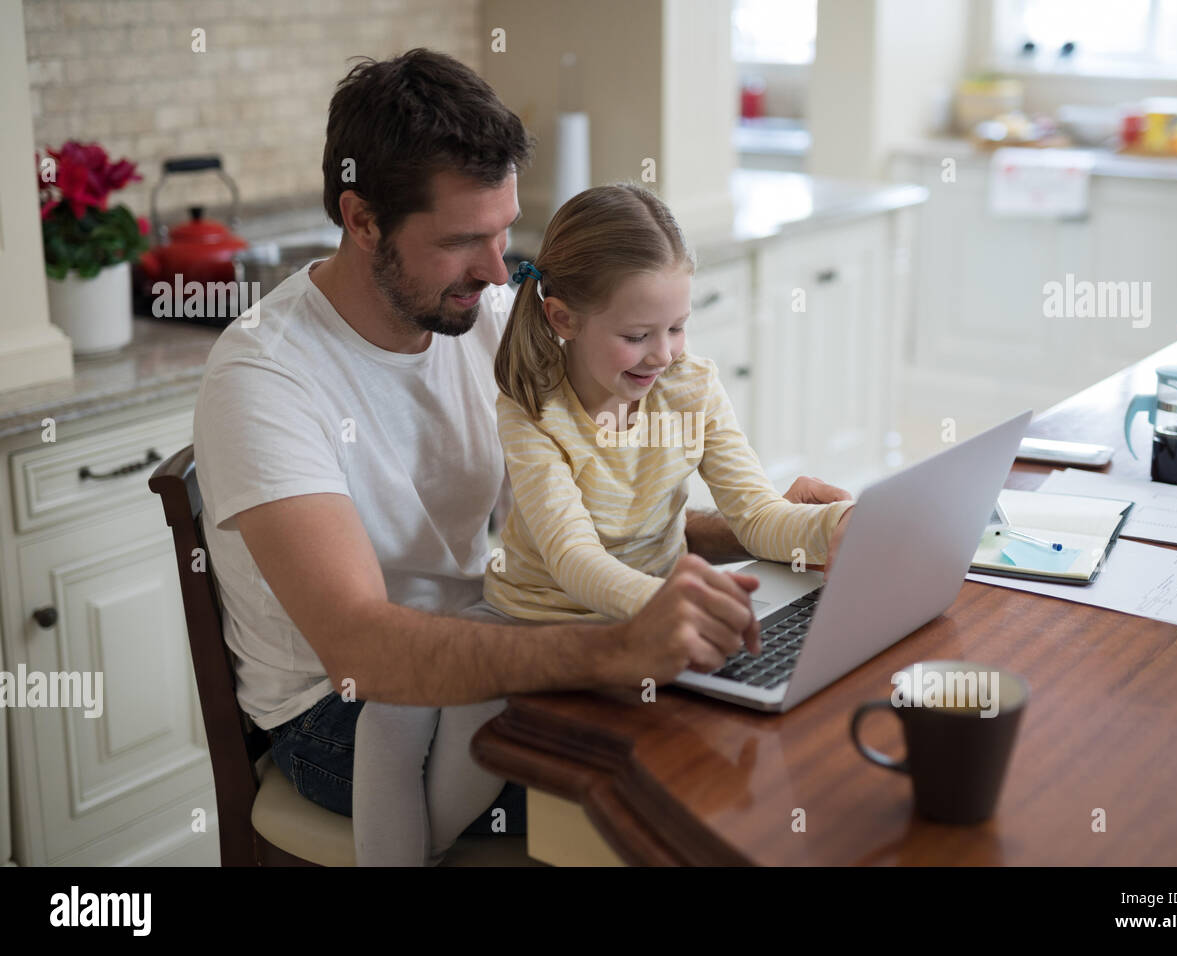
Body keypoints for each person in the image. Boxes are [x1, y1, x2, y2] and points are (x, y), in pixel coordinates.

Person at [192, 48, 852, 867]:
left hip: (497, 629)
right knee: (680, 777)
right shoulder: (265, 376)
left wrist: (773, 530)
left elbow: (584, 514)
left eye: (505, 232)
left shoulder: (493, 320)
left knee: (740, 727)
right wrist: (618, 646)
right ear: (362, 220)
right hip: (341, 712)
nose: (499, 270)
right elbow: (361, 650)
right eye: (465, 240)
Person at [351, 182, 855, 864]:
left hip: (633, 635)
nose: (664, 354)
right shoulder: (532, 409)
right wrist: (668, 605)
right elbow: (572, 559)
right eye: (636, 335)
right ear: (562, 318)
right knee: (388, 716)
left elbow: (759, 514)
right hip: (527, 624)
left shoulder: (692, 388)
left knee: (462, 775)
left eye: (677, 327)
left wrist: (843, 527)